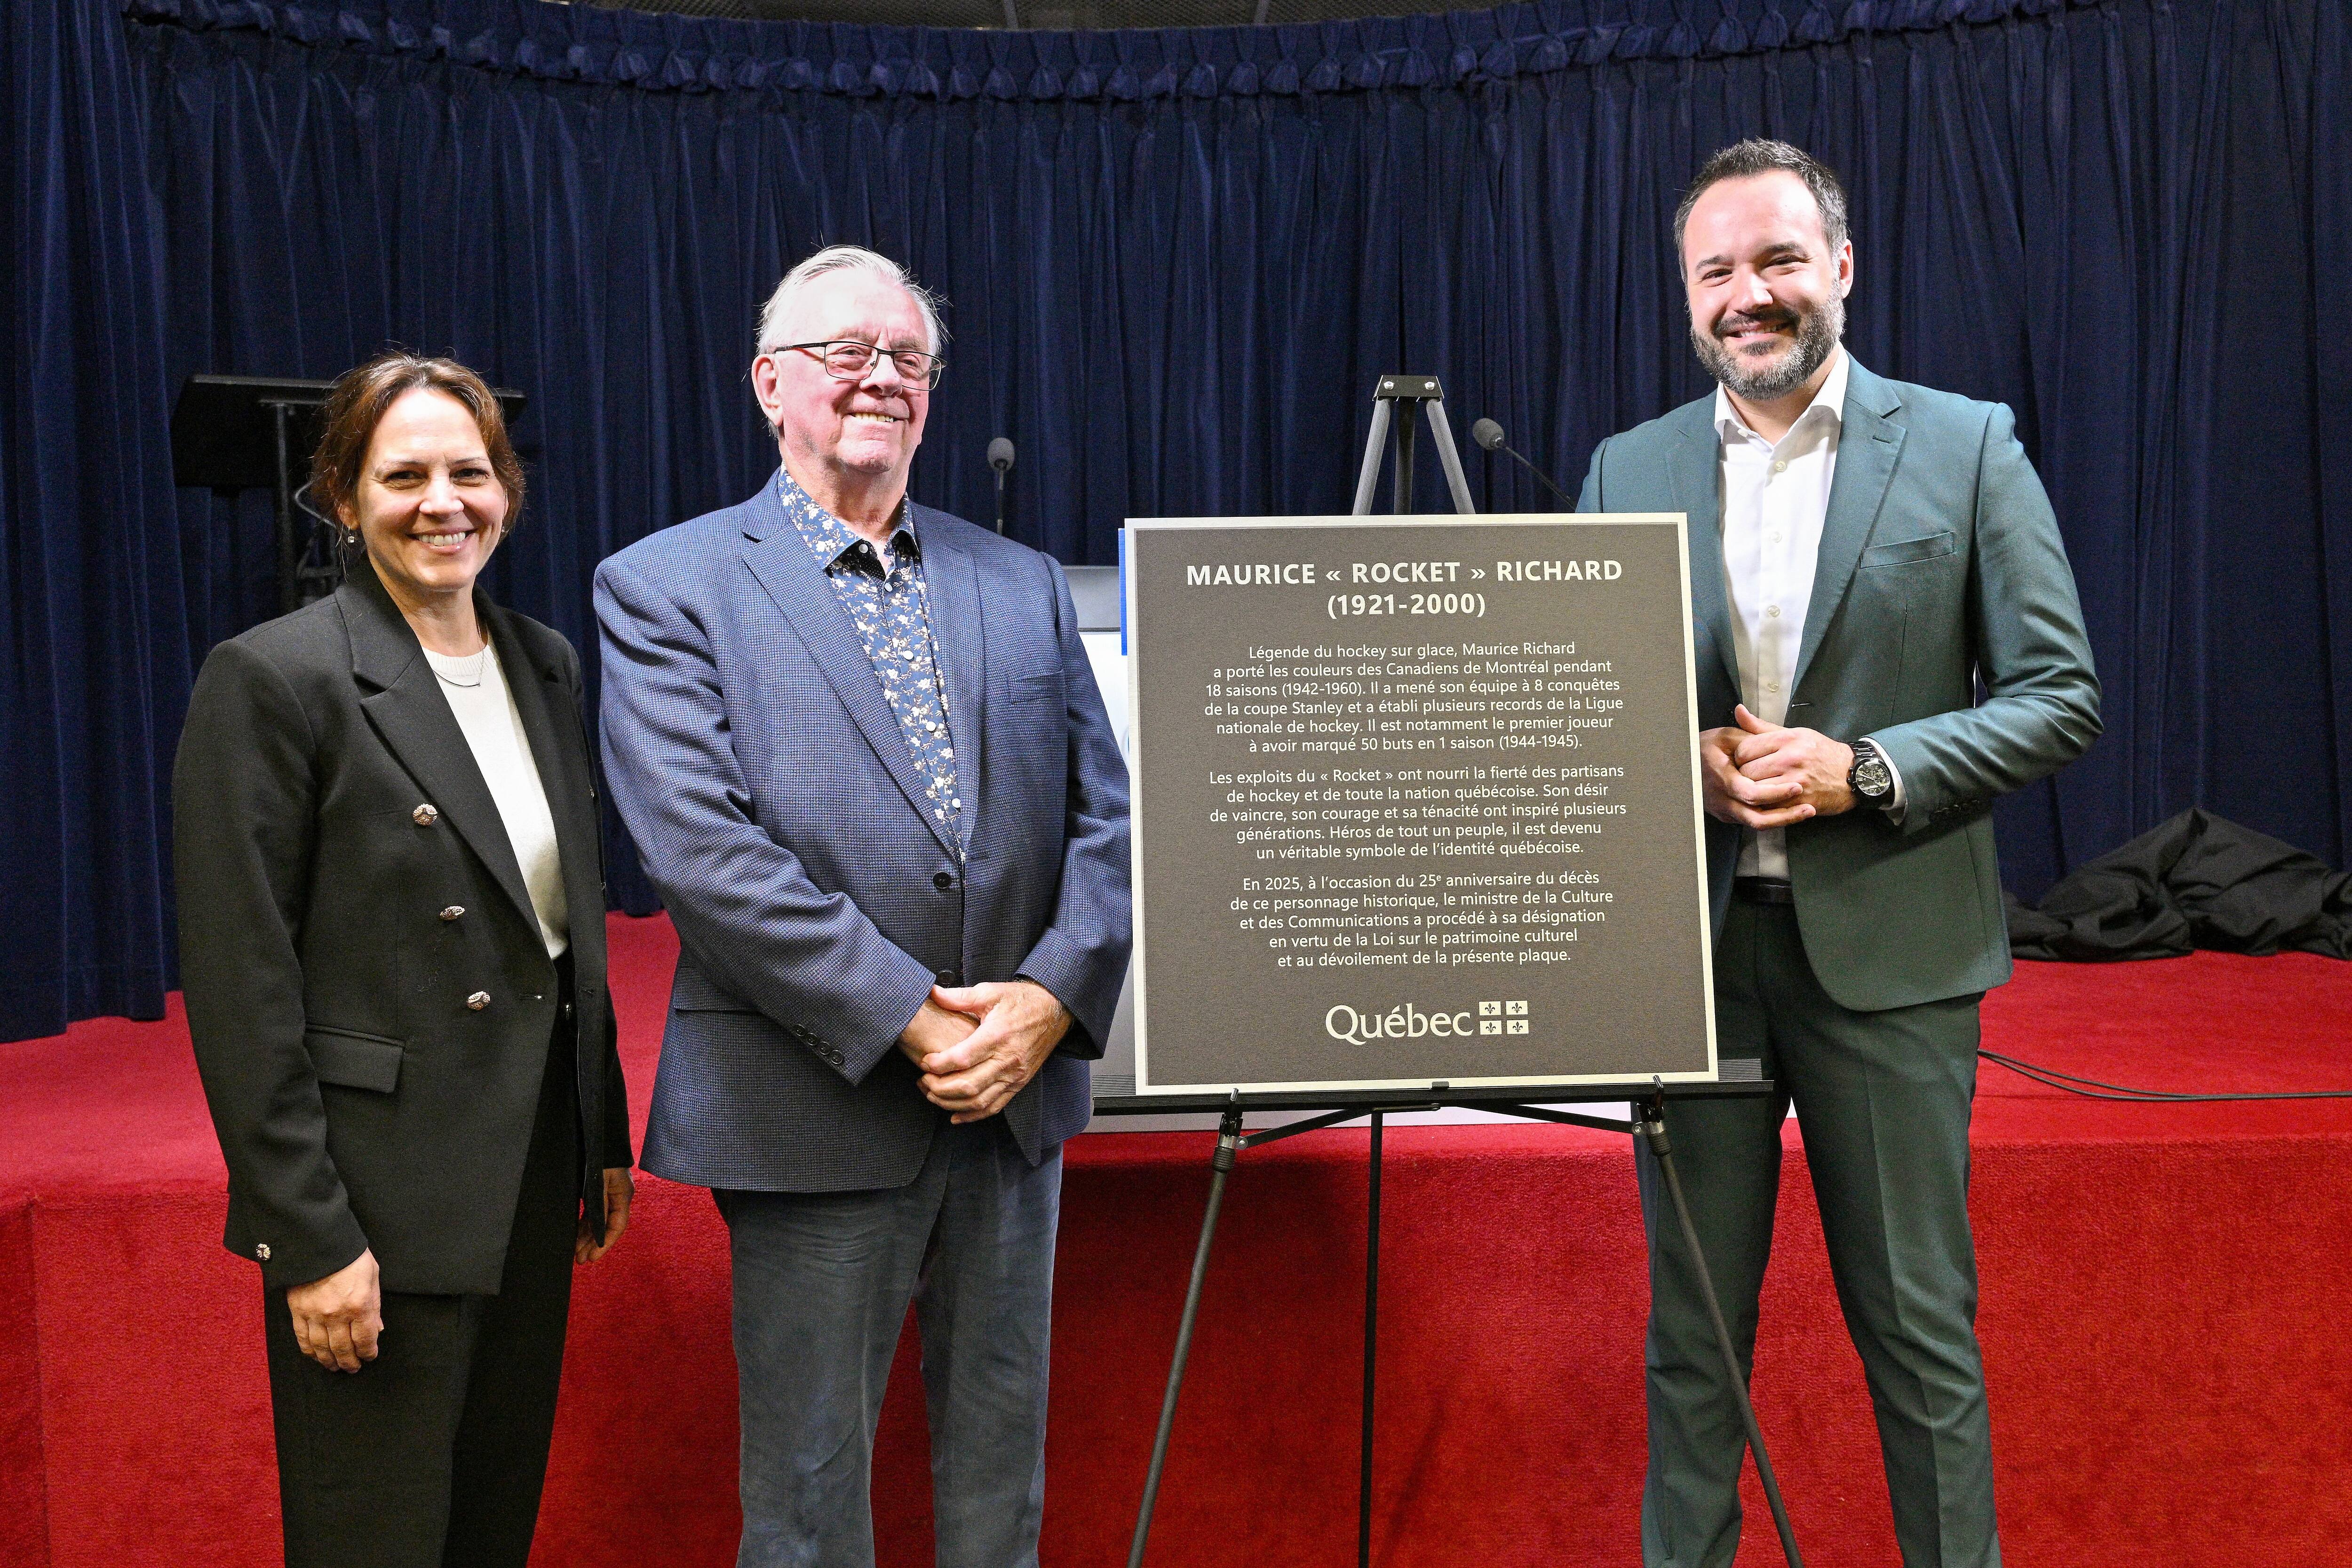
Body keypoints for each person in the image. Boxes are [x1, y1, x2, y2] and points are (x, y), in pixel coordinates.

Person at [1576, 141, 2100, 1568]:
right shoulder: (1629, 466)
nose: (1753, 294)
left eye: (1781, 260)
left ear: (1842, 269)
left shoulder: (1967, 442)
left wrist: (1867, 769)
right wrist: (1668, 757)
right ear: (1690, 298)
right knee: (1694, 1343)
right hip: (1691, 975)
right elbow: (1576, 708)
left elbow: (2062, 694)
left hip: (1895, 961)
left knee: (1922, 1342)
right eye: (1720, 271)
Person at [594, 244, 1130, 1568]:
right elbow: (703, 852)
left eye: (909, 360)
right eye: (848, 354)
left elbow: (1106, 825)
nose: (881, 379)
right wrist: (909, 1016)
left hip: (1012, 1101)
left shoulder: (1019, 583)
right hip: (811, 1102)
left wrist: (1052, 997)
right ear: (771, 384)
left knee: (1001, 1487)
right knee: (809, 1499)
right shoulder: (668, 586)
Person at [174, 353, 635, 1568]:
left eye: (470, 473)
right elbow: (243, 986)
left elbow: (568, 921)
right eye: (404, 476)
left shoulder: (545, 661)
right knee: (374, 1540)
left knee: (491, 1530)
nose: (444, 502)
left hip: (530, 1178)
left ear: (509, 489)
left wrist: (602, 1136)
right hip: (379, 1196)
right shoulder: (277, 678)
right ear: (340, 497)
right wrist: (309, 1239)